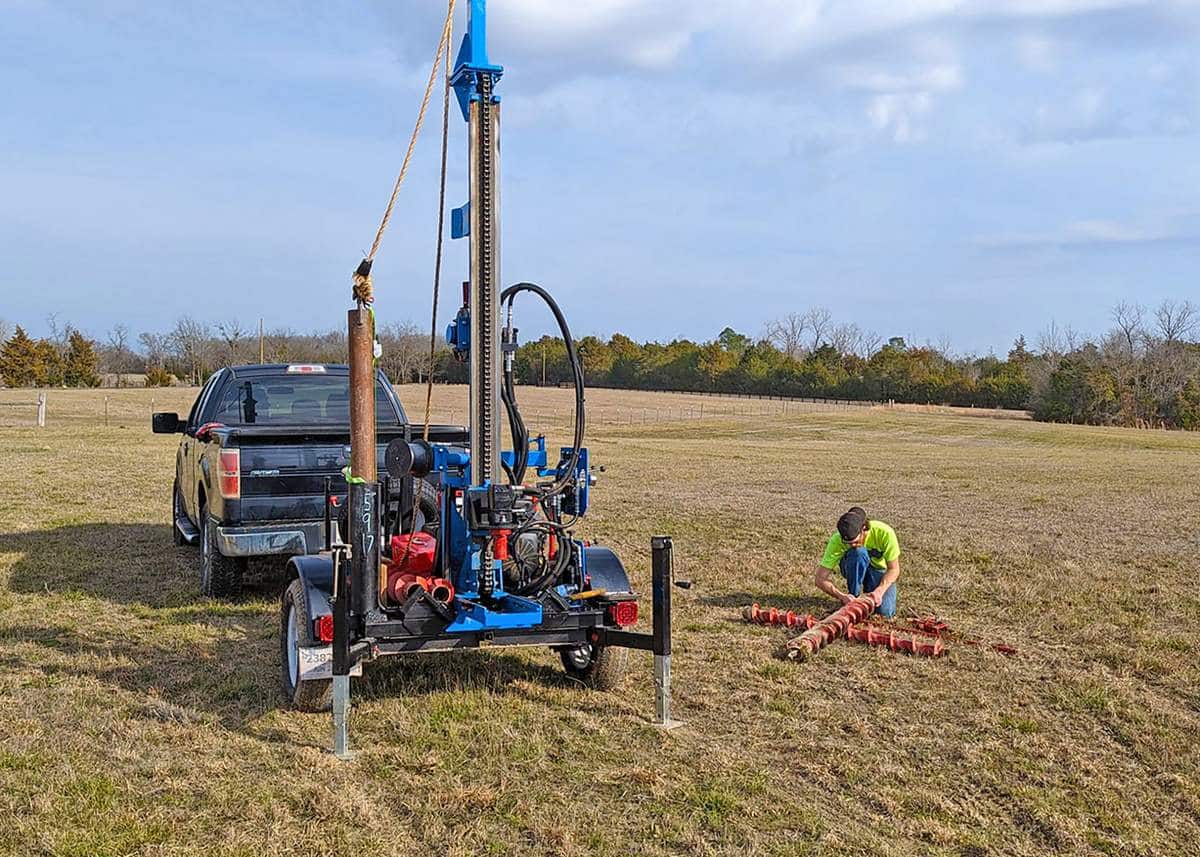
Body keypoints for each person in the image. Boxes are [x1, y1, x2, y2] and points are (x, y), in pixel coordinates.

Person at [813, 506, 900, 618]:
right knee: (858, 552)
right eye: (848, 543)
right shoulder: (837, 540)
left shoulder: (884, 533)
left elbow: (894, 569)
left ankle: (870, 588)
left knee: (885, 612)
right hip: (853, 565)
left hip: (877, 569)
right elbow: (819, 579)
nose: (852, 545)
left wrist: (879, 591)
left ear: (864, 528)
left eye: (855, 541)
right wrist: (842, 596)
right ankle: (854, 597)